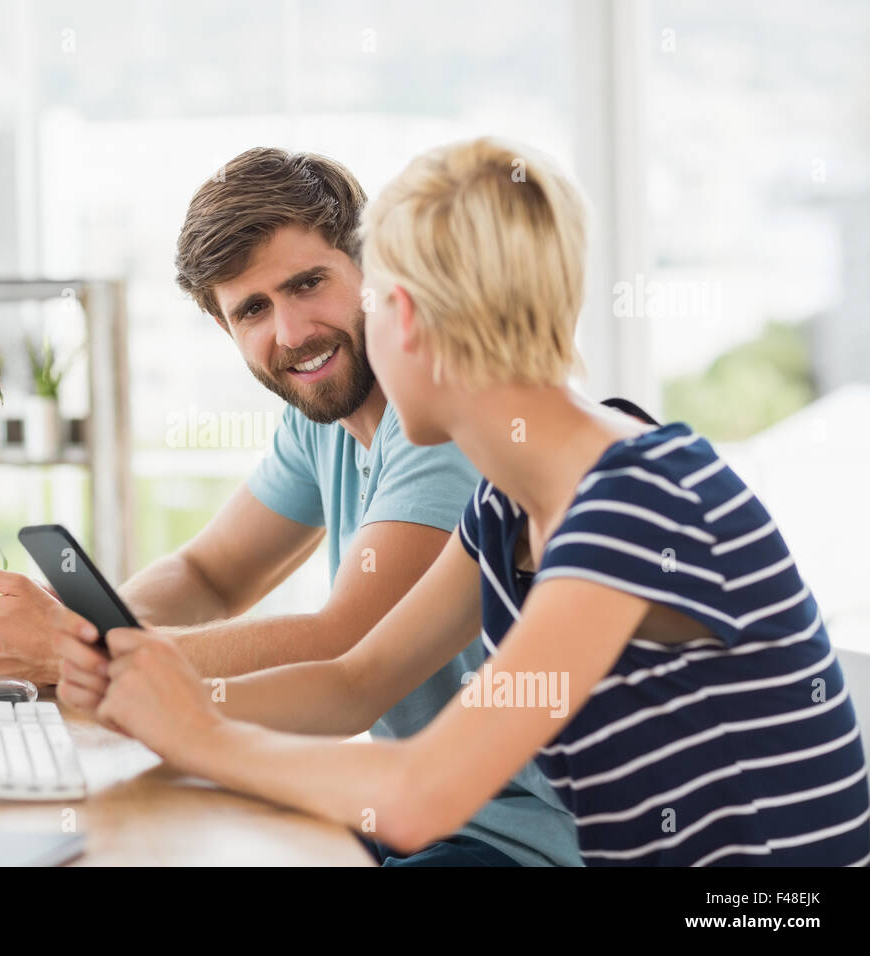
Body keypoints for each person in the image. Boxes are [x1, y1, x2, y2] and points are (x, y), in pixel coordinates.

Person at [54, 137, 870, 866]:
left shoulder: (632, 501)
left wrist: (197, 730)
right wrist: (138, 698)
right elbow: (352, 680)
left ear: (398, 316)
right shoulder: (511, 501)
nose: (308, 336)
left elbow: (420, 797)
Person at [0, 146, 580, 866]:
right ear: (224, 327)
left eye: (309, 283)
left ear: (376, 271)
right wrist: (80, 628)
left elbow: (347, 655)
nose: (293, 332)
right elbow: (212, 574)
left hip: (514, 836)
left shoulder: (450, 428)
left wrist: (79, 652)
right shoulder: (325, 419)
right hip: (413, 808)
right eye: (253, 310)